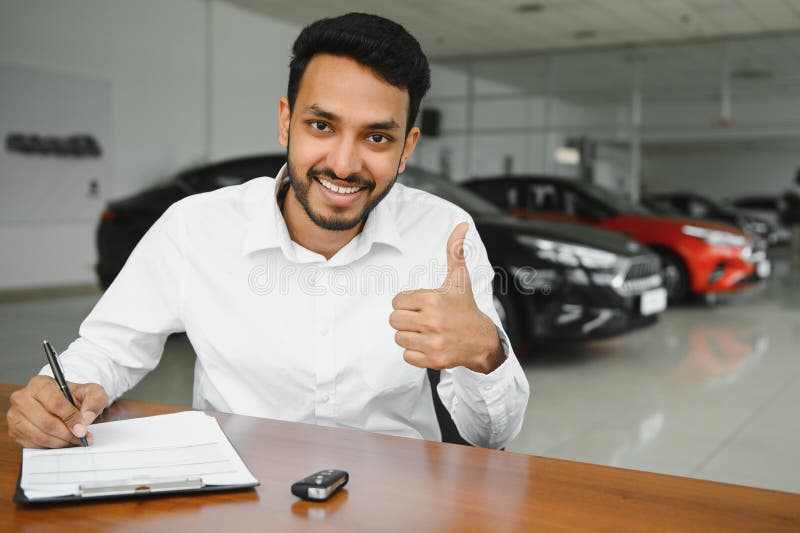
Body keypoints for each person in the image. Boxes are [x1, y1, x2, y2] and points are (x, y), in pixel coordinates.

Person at [7, 13, 529, 449]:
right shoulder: (196, 227)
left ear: (407, 147)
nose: (344, 164)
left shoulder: (445, 235)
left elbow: (490, 439)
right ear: (286, 122)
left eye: (376, 136)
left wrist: (486, 352)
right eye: (321, 126)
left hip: (396, 502)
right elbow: (108, 349)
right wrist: (62, 392)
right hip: (234, 496)